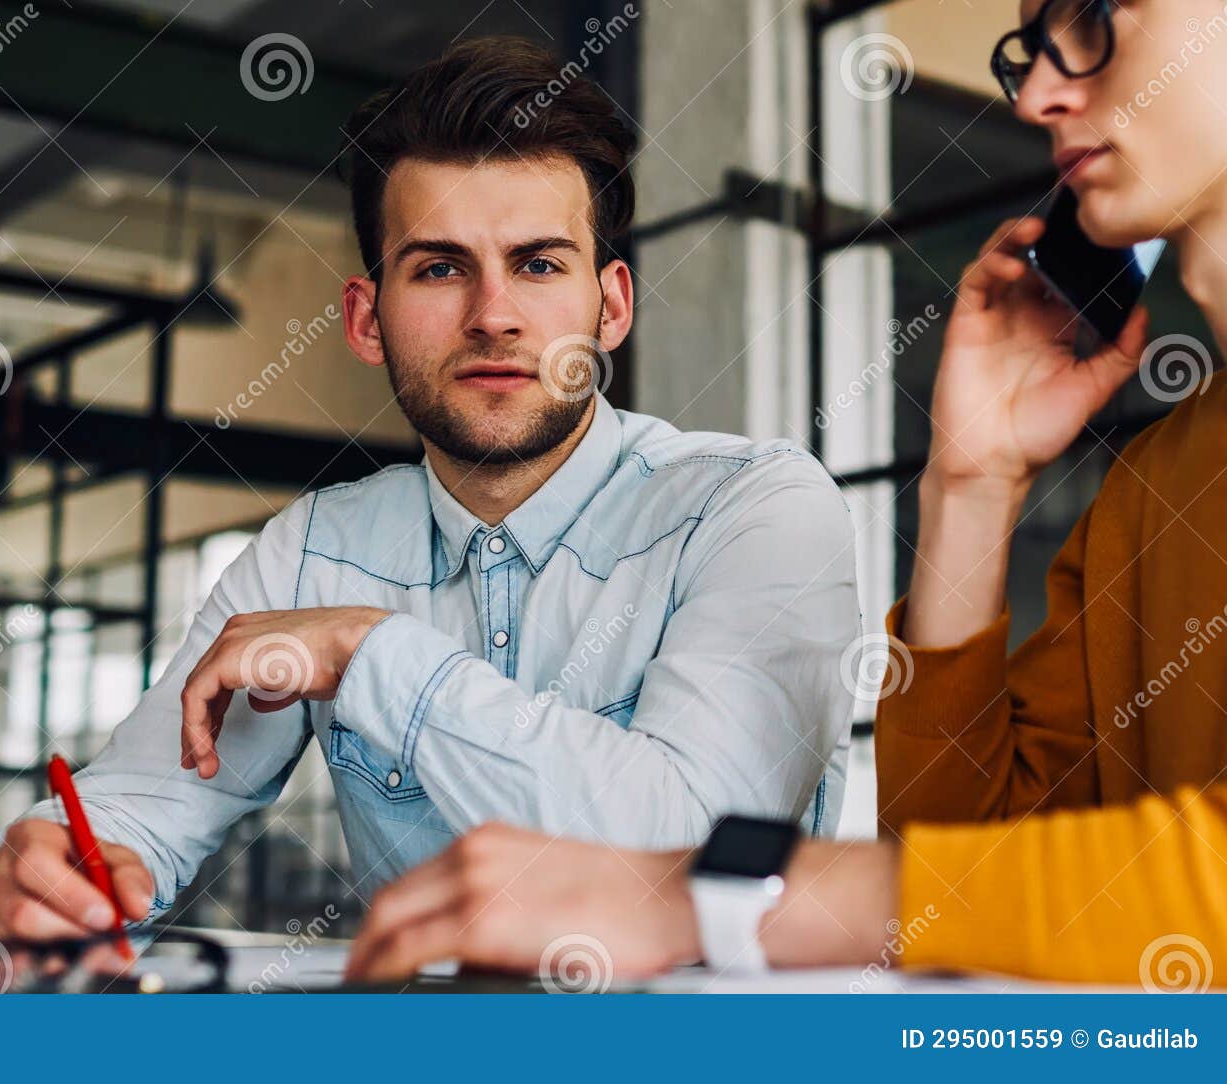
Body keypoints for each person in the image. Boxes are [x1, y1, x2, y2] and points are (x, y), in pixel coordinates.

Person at [347, 0, 1227, 989]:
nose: (1035, 92)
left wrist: (705, 896)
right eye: (1026, 50)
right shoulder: (1155, 484)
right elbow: (964, 881)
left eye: (1094, 15)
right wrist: (970, 485)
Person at [0, 37, 858, 942]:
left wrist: (372, 654)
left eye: (540, 264)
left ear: (612, 307)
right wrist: (48, 865)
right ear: (365, 317)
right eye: (439, 267)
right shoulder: (311, 554)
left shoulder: (755, 510)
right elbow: (139, 807)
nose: (493, 315)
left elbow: (704, 860)